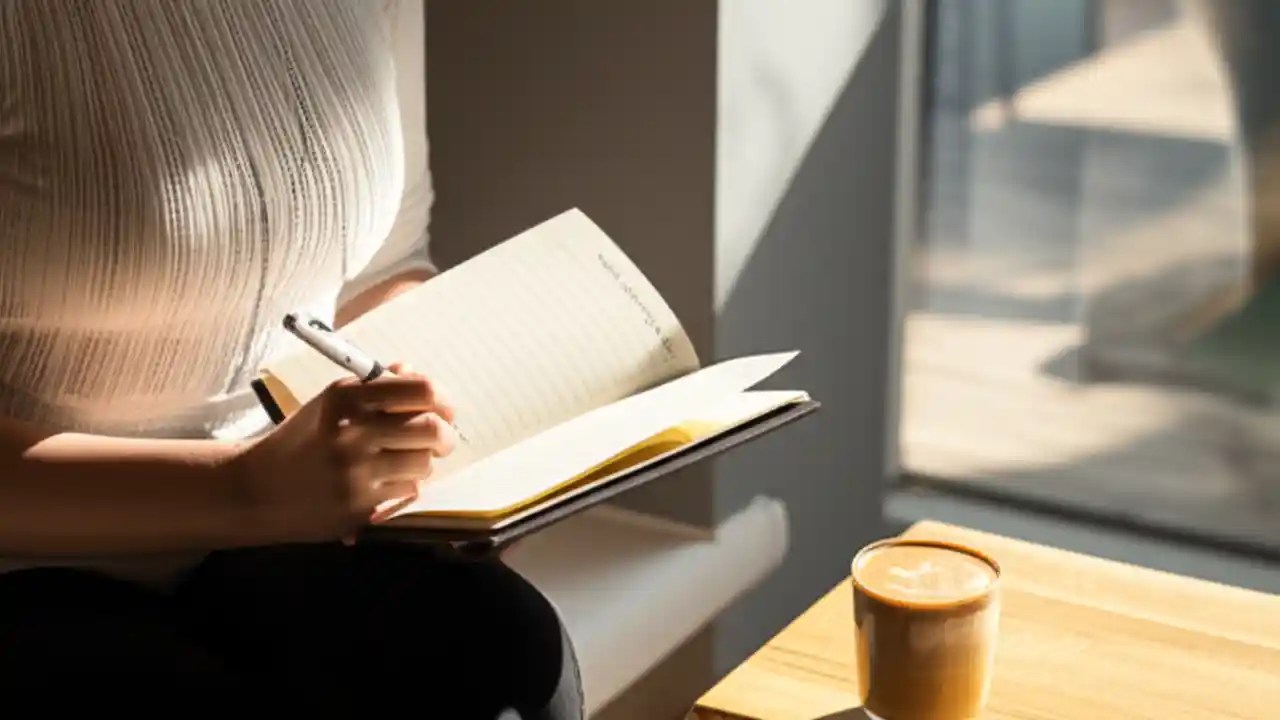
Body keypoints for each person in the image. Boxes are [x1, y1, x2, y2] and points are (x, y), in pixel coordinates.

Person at [0, 1, 582, 716]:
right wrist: (245, 490)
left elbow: (385, 262)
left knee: (512, 659)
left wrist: (437, 452)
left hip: (287, 510)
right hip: (32, 557)